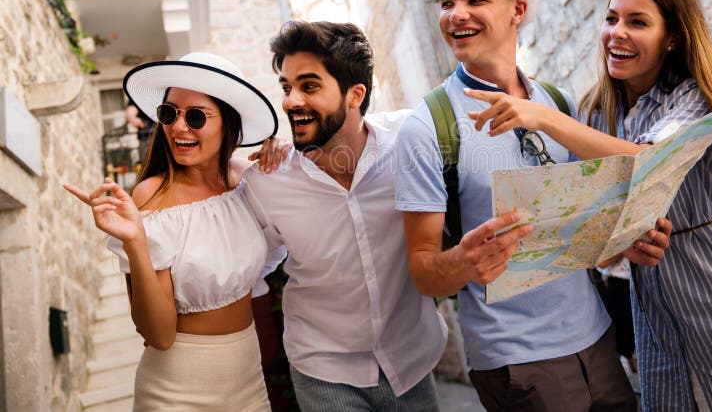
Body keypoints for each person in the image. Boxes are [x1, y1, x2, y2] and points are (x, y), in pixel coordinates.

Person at [464, 0, 712, 410]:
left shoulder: (693, 95)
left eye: (637, 22)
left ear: (672, 39)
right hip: (655, 305)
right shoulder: (596, 112)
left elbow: (645, 161)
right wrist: (624, 244)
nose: (616, 33)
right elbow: (601, 230)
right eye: (610, 19)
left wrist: (543, 117)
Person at [394, 0, 672, 412]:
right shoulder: (425, 128)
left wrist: (626, 237)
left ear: (517, 11)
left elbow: (585, 230)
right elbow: (424, 273)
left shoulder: (556, 102)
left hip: (597, 336)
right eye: (446, 3)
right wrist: (462, 261)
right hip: (517, 362)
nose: (455, 14)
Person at [243, 20, 449, 412]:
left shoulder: (409, 139)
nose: (289, 101)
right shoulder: (269, 182)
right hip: (324, 373)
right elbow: (252, 273)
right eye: (287, 88)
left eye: (309, 86)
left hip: (412, 363)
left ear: (355, 94)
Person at [64, 52, 282, 411]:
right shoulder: (151, 195)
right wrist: (134, 243)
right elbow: (159, 334)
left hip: (249, 379)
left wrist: (284, 159)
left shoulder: (248, 181)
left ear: (228, 122)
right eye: (169, 113)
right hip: (176, 390)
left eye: (195, 116)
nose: (179, 127)